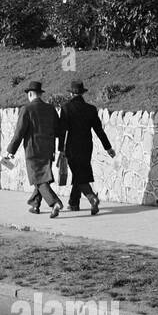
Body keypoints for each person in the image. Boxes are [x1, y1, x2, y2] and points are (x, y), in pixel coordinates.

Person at [4, 80, 62, 217]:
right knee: (41, 177)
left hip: (33, 150)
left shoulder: (27, 109)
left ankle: (55, 203)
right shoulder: (50, 108)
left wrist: (10, 151)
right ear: (40, 94)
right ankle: (35, 204)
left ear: (30, 94)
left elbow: (19, 132)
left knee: (39, 179)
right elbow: (58, 130)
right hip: (48, 149)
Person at [57, 80, 115, 214]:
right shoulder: (91, 109)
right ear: (82, 93)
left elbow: (62, 132)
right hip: (87, 147)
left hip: (72, 147)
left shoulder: (66, 108)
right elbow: (99, 130)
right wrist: (108, 148)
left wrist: (60, 149)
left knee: (78, 175)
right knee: (80, 173)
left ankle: (92, 198)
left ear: (71, 93)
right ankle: (73, 203)